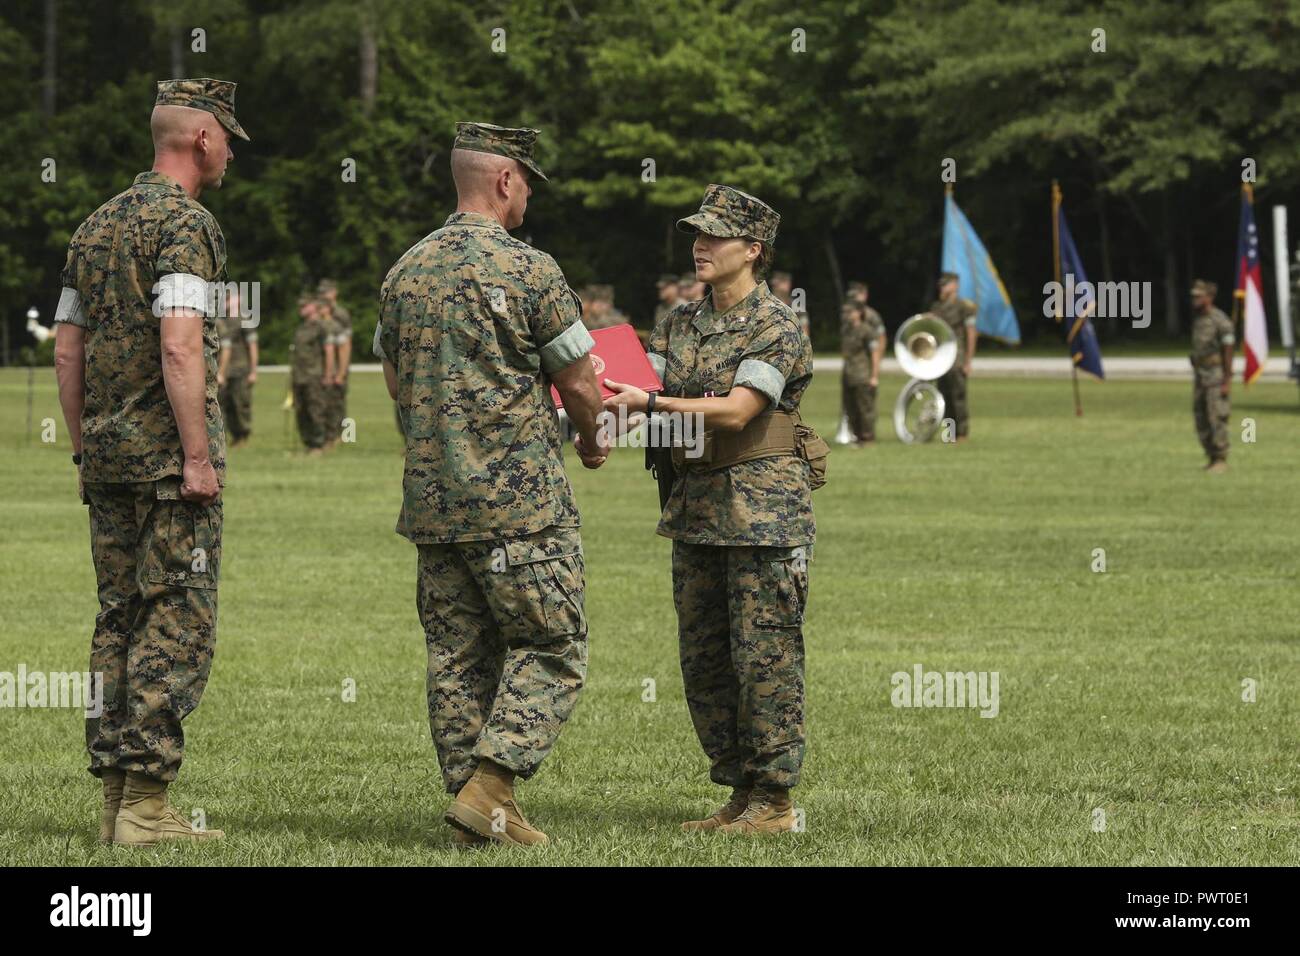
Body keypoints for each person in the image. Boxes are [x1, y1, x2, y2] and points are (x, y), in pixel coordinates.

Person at [375, 122, 606, 847]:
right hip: (520, 506)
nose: (529, 195)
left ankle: (478, 813)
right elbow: (580, 384)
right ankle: (493, 784)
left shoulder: (404, 271)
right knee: (553, 644)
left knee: (457, 657)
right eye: (528, 181)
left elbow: (395, 384)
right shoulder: (530, 270)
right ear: (505, 180)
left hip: (434, 505)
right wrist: (594, 442)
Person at [52, 77, 248, 846]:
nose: (230, 153)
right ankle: (145, 806)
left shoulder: (94, 227)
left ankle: (113, 803)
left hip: (106, 462)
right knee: (175, 620)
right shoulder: (186, 224)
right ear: (202, 137)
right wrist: (196, 455)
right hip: (168, 465)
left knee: (118, 619)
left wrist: (82, 447)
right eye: (228, 137)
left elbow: (68, 351)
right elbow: (179, 340)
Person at [604, 184, 826, 836]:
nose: (699, 246)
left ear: (753, 249)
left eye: (714, 236)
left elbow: (737, 411)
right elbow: (634, 389)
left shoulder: (775, 324)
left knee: (765, 660)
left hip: (763, 517)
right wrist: (595, 400)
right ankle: (739, 791)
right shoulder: (678, 321)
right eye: (695, 235)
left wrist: (650, 408)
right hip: (696, 511)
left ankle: (776, 801)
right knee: (706, 662)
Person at [1189, 279, 1234, 472]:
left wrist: (1227, 379)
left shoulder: (1220, 320)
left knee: (1217, 416)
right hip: (1200, 375)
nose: (1195, 299)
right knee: (1201, 416)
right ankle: (1210, 456)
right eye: (1194, 296)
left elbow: (1228, 349)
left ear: (1209, 297)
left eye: (1199, 296)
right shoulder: (1199, 320)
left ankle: (1221, 458)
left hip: (1215, 375)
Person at [929, 271, 977, 441]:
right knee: (944, 396)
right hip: (941, 358)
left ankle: (962, 433)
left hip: (957, 356)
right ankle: (949, 433)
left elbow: (971, 333)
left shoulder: (965, 306)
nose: (942, 287)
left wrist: (968, 361)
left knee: (958, 396)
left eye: (946, 284)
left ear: (955, 285)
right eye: (941, 285)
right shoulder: (937, 307)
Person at [290, 295, 334, 455]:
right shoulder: (302, 328)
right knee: (302, 411)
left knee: (316, 409)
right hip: (299, 376)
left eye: (304, 306)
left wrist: (328, 374)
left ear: (313, 307)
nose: (301, 309)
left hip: (314, 375)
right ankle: (308, 443)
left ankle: (318, 444)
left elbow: (328, 351)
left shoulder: (321, 327)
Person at [217, 287, 257, 446]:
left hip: (240, 368)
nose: (227, 303)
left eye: (229, 299)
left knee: (240, 403)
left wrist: (253, 371)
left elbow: (252, 345)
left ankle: (242, 435)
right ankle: (226, 436)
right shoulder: (221, 320)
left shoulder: (244, 318)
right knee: (223, 404)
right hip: (223, 369)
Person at [841, 298, 884, 444]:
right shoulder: (846, 329)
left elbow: (875, 354)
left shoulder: (867, 330)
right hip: (848, 374)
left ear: (859, 312)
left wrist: (874, 376)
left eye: (850, 311)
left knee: (865, 408)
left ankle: (868, 437)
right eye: (846, 311)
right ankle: (857, 436)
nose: (847, 314)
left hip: (862, 374)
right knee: (850, 407)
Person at [317, 279, 351, 446]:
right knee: (326, 402)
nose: (324, 294)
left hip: (339, 364)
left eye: (326, 291)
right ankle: (330, 434)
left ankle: (343, 435)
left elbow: (346, 343)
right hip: (325, 365)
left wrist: (342, 371)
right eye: (322, 292)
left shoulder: (341, 314)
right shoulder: (320, 312)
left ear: (334, 292)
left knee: (338, 402)